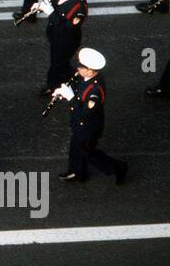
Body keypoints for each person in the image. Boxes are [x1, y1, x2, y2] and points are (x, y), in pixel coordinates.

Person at [52, 48, 127, 184]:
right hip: (79, 123)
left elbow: (85, 111)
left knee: (89, 153)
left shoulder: (95, 91)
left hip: (88, 126)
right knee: (76, 146)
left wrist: (70, 97)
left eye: (81, 66)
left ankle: (118, 167)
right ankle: (77, 172)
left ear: (90, 71)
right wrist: (63, 92)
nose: (78, 67)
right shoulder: (85, 77)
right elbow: (78, 91)